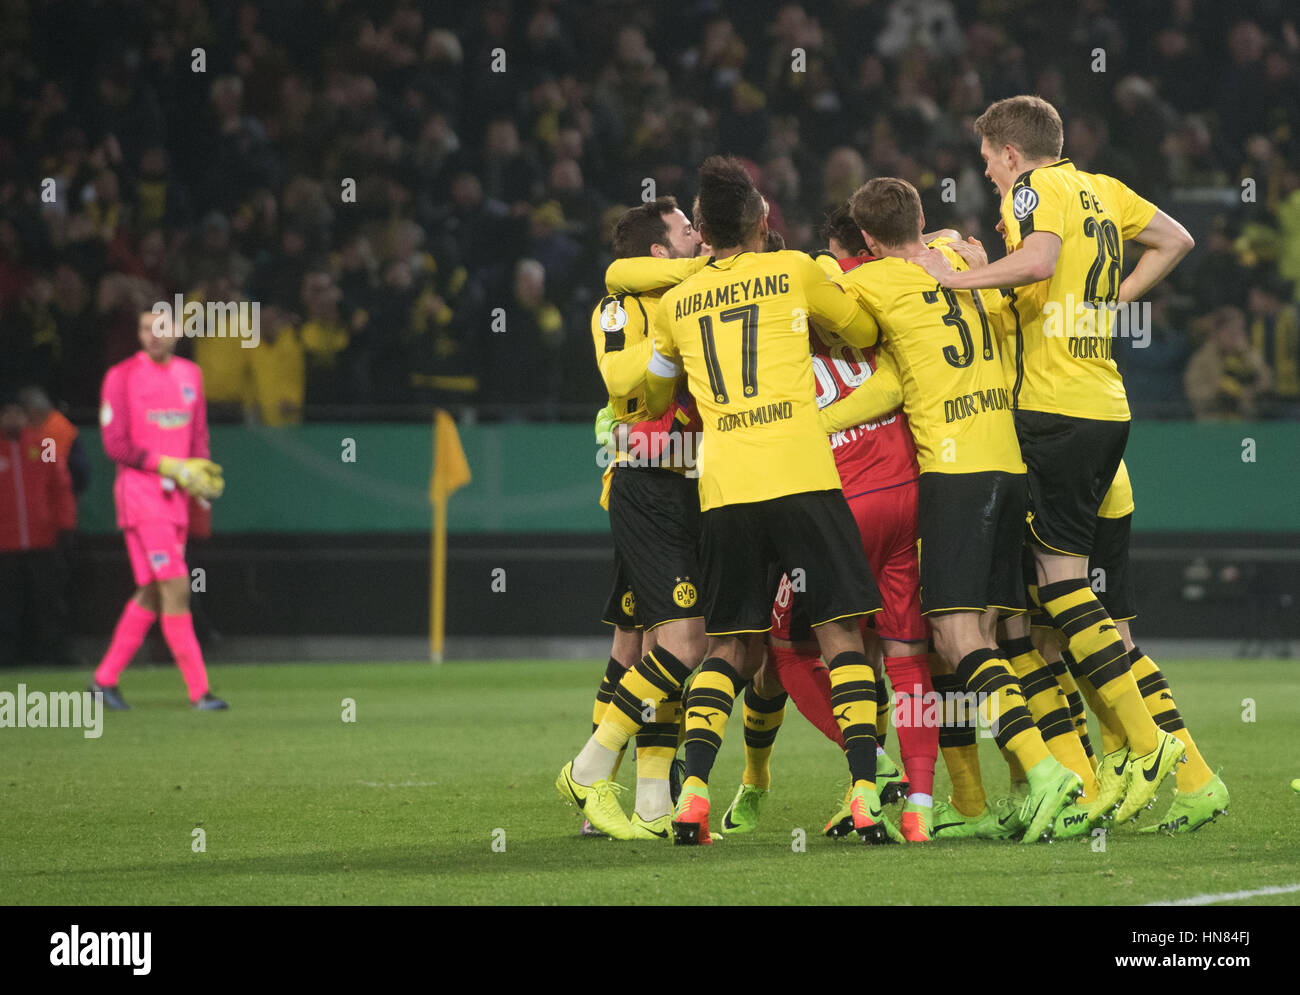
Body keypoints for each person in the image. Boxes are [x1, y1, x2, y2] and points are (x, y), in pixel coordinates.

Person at [911, 94, 1195, 826]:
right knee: (1061, 599)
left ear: (1012, 154)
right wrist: (1113, 302)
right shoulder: (1104, 190)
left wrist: (960, 278)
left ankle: (1146, 741)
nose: (988, 174)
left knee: (1056, 582)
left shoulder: (1033, 190)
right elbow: (1177, 241)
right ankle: (1122, 759)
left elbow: (1038, 259)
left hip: (1055, 409)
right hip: (1107, 403)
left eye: (987, 160)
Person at [643, 156, 895, 845]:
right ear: (760, 223)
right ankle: (868, 791)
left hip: (725, 488)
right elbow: (864, 331)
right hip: (804, 474)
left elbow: (657, 391)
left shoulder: (674, 304)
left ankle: (693, 792)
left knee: (729, 645)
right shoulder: (797, 272)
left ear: (700, 229)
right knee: (843, 634)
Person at [557, 197, 705, 841]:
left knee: (637, 644)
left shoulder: (688, 290)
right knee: (675, 642)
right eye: (686, 230)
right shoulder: (623, 306)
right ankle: (593, 774)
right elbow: (626, 387)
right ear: (659, 252)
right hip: (649, 484)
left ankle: (649, 800)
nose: (699, 236)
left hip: (688, 481)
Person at [88, 310, 228, 711]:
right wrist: (168, 465)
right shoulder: (121, 376)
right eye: (146, 329)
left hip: (177, 500)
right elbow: (115, 445)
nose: (152, 336)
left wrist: (198, 474)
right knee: (176, 585)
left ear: (178, 333)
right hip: (140, 496)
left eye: (161, 329)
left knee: (153, 589)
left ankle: (103, 681)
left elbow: (197, 433)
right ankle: (200, 692)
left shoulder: (190, 375)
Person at [0, 389, 78, 667]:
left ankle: (55, 653)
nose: (12, 419)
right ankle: (8, 656)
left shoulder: (42, 445)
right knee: (6, 606)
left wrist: (65, 526)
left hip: (42, 540)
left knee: (49, 603)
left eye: (17, 413)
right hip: (5, 544)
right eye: (6, 413)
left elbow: (61, 488)